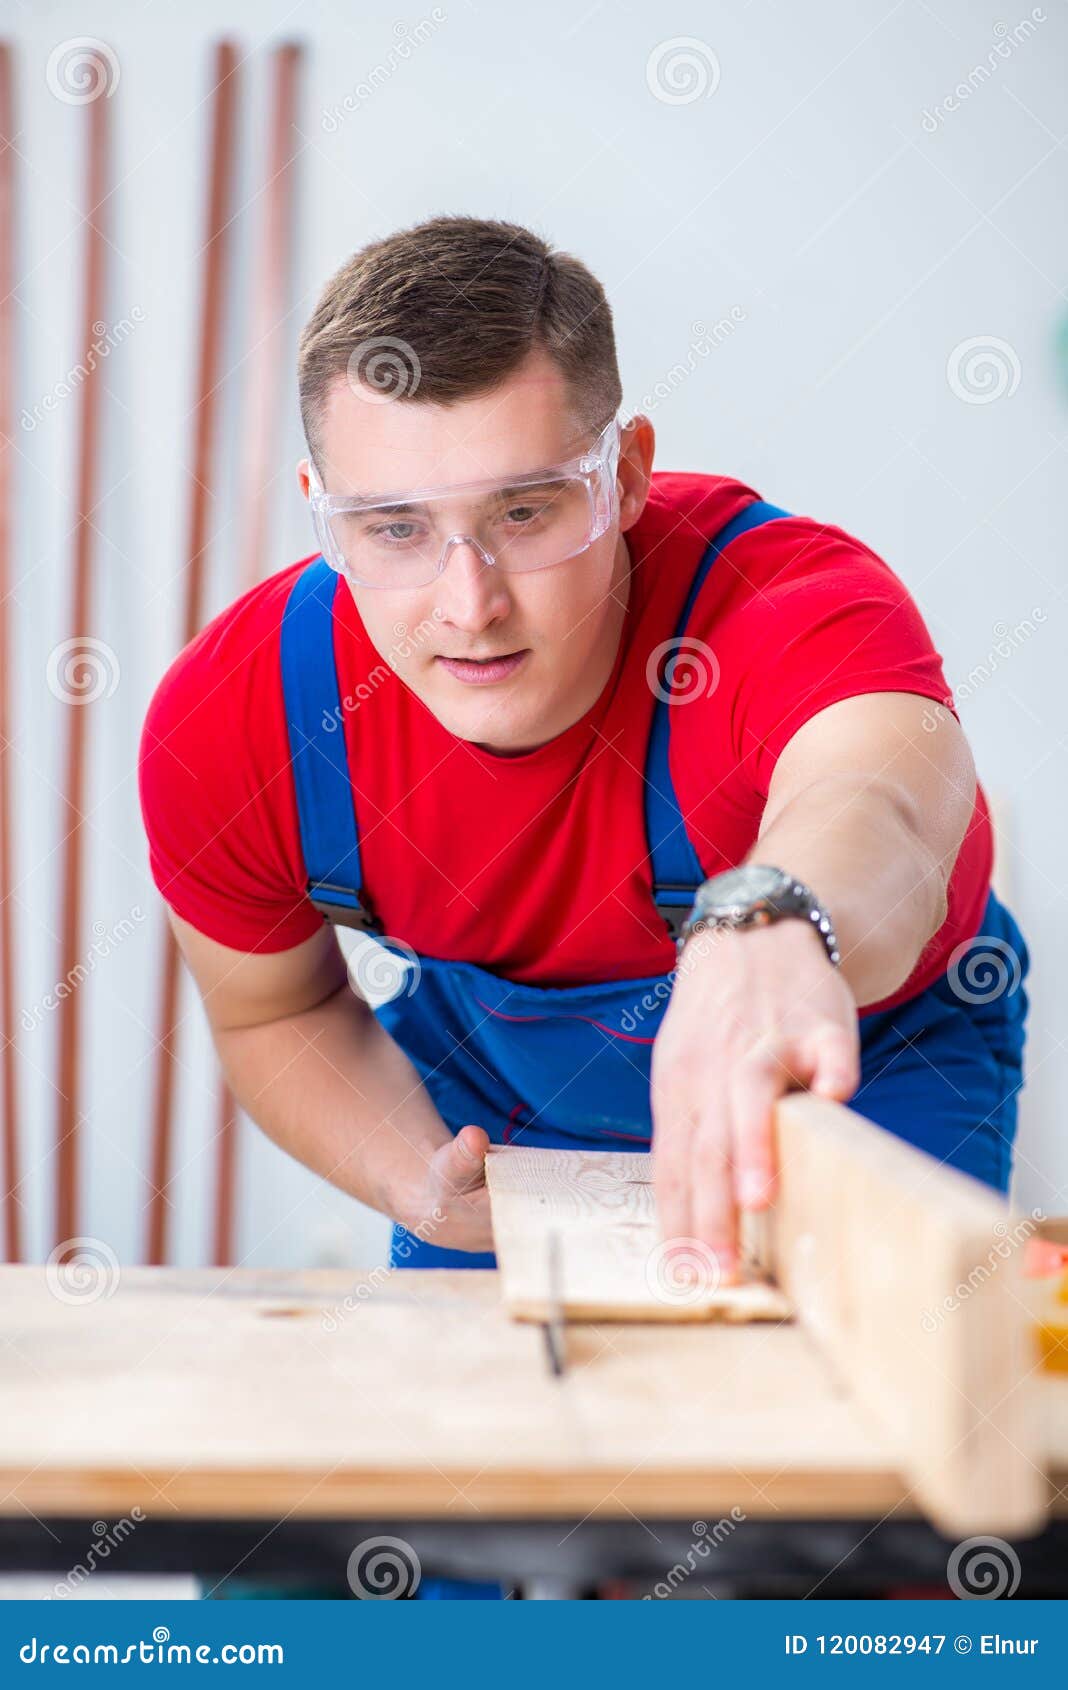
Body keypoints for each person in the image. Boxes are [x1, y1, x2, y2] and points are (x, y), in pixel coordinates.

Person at [139, 217, 1029, 1591]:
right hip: (505, 1108)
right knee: (436, 1535)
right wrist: (408, 1176)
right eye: (392, 530)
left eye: (525, 512)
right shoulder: (242, 716)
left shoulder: (783, 602)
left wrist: (777, 922)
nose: (469, 602)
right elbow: (275, 1012)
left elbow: (888, 803)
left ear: (625, 473)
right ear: (320, 506)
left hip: (862, 1079)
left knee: (819, 1535)